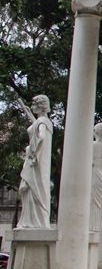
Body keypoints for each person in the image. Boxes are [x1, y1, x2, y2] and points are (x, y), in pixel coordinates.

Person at [17, 96, 53, 228]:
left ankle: (34, 222)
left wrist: (34, 153)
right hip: (37, 161)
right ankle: (31, 221)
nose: (32, 106)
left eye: (34, 104)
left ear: (41, 106)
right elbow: (36, 125)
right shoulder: (44, 121)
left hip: (35, 161)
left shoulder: (42, 122)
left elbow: (41, 137)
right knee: (31, 190)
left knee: (33, 189)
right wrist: (28, 113)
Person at [89, 122, 102, 232]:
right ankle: (100, 226)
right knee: (100, 201)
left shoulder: (92, 145)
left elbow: (89, 162)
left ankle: (93, 226)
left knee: (93, 200)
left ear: (95, 132)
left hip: (94, 172)